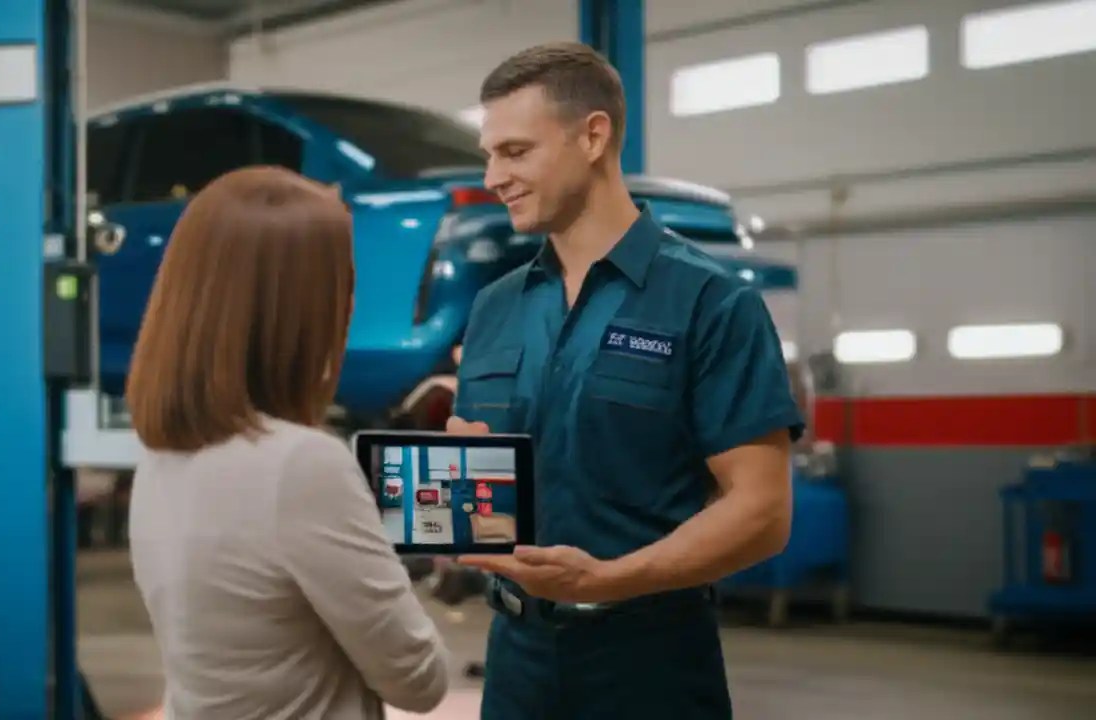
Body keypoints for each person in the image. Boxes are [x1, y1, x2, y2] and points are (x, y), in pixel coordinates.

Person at [450, 42, 805, 719]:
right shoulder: (496, 308)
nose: (494, 177)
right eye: (489, 155)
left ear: (593, 136)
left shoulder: (710, 302)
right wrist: (463, 494)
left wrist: (612, 580)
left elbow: (761, 512)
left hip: (649, 665)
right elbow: (494, 499)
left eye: (516, 152)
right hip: (516, 661)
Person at [125, 166, 449, 719]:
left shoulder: (159, 456)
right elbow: (420, 681)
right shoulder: (301, 466)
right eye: (343, 285)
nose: (350, 307)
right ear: (298, 311)